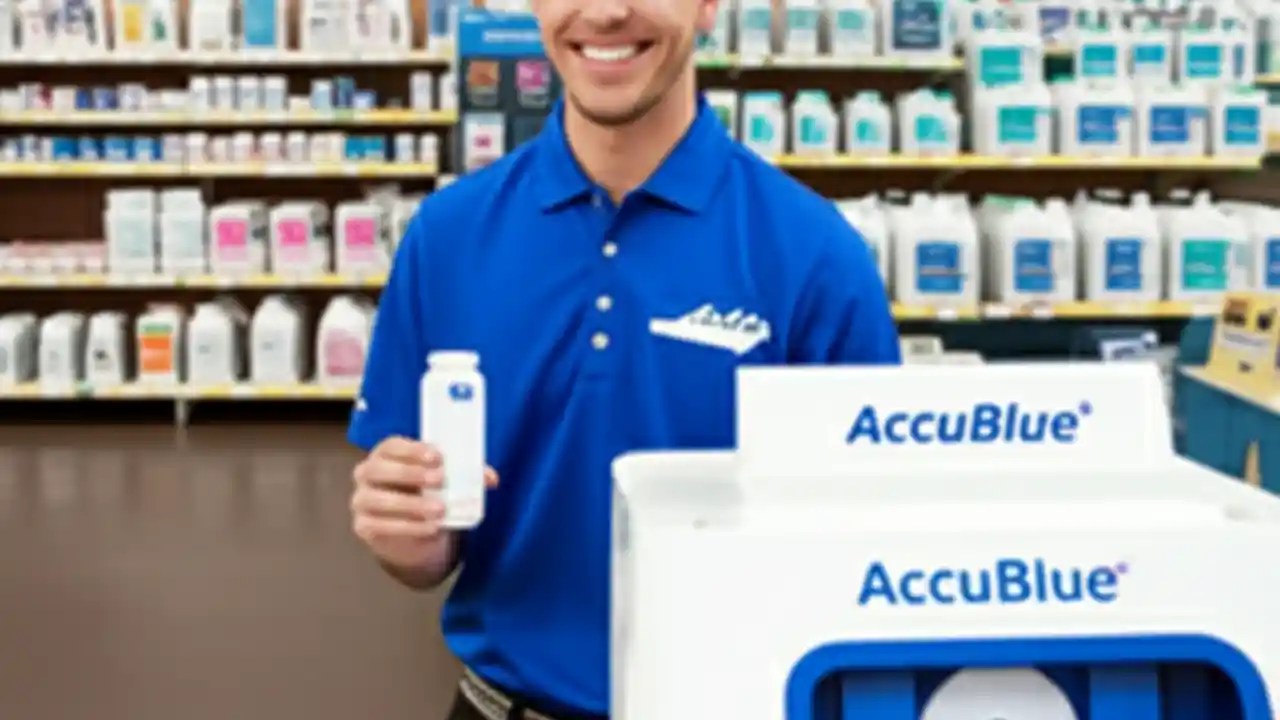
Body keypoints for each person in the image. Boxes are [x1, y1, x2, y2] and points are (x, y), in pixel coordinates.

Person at [345, 0, 902, 713]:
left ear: (707, 8)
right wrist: (411, 542)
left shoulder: (813, 255)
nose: (607, 12)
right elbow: (425, 540)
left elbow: (860, 555)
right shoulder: (448, 238)